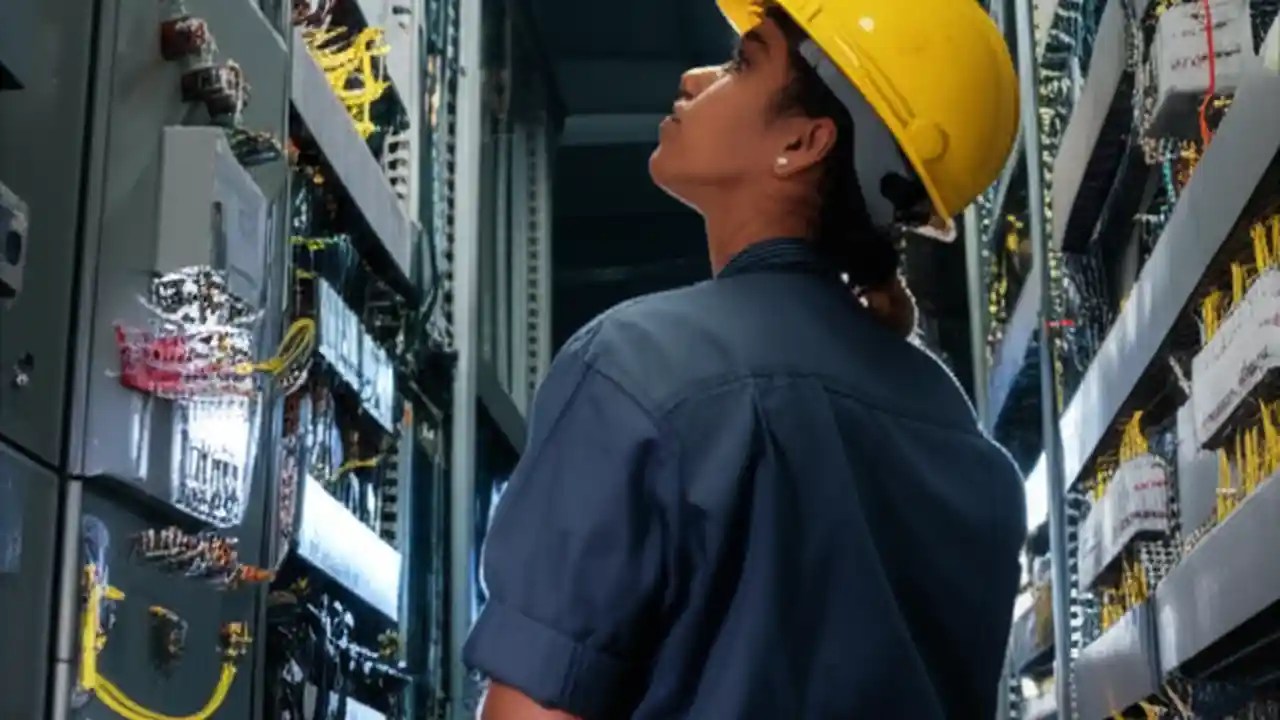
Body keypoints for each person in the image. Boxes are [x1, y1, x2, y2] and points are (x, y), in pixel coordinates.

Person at [464, 1, 1026, 718]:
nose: (697, 79)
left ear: (803, 141)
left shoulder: (637, 371)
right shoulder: (972, 457)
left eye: (743, 62)